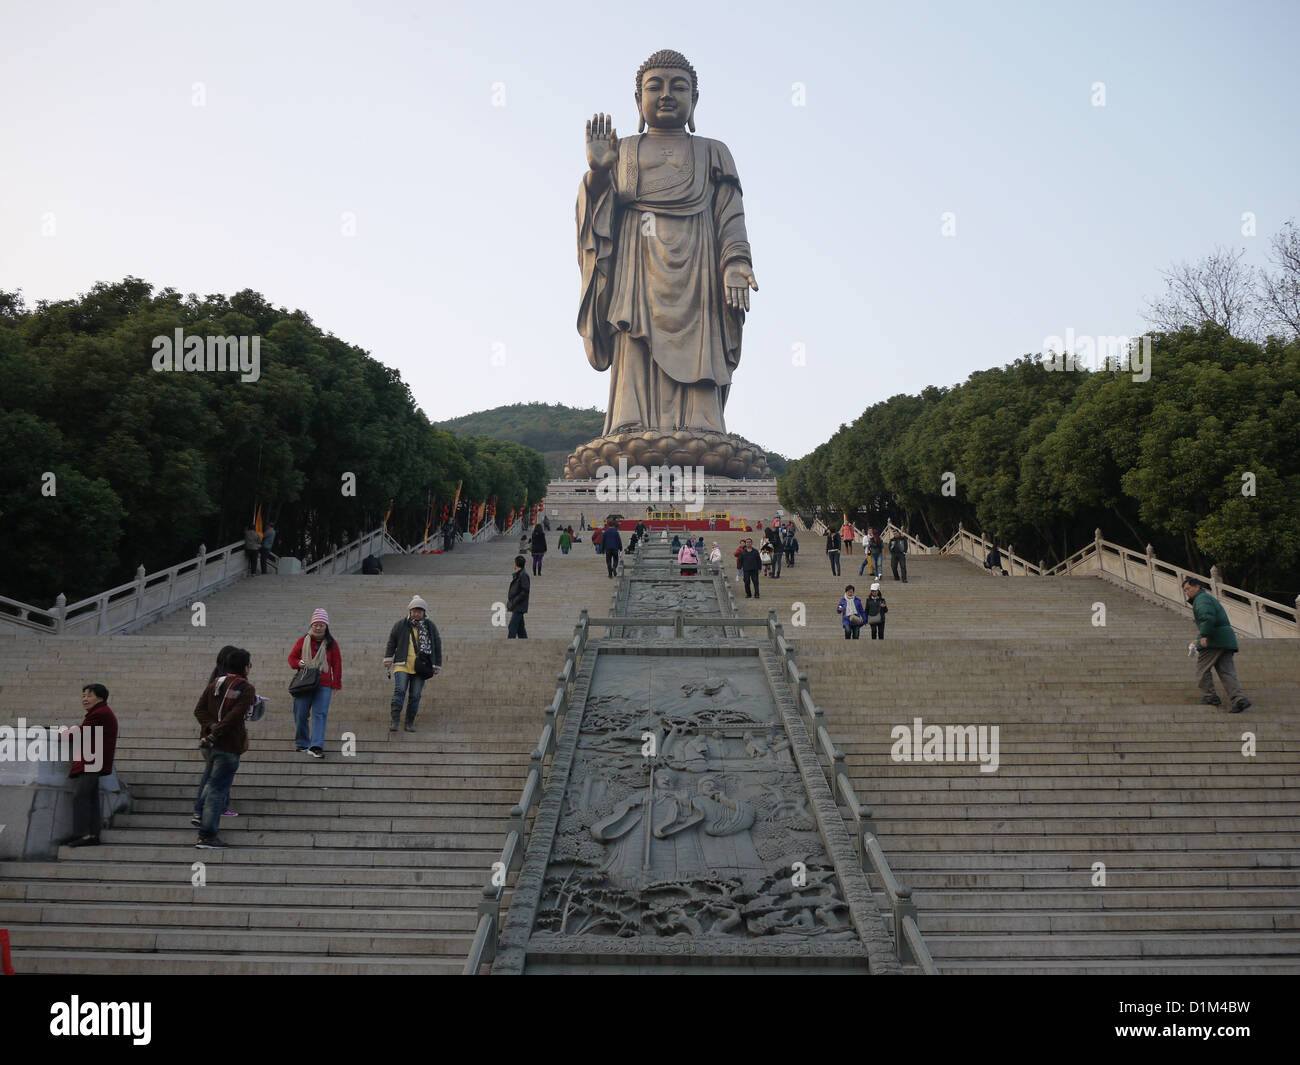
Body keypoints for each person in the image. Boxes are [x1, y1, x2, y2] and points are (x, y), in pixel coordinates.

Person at [193, 648, 254, 849]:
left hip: (208, 744)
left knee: (211, 783)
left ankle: (199, 813)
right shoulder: (246, 688)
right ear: (245, 667)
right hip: (227, 745)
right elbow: (235, 715)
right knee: (218, 791)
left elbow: (199, 710)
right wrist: (218, 731)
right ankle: (207, 835)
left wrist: (211, 728)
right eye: (249, 664)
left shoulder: (215, 684)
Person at [1182, 577, 1251, 712]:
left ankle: (1210, 697)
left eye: (1188, 589)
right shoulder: (1207, 598)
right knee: (1227, 672)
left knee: (1202, 670)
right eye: (1185, 590)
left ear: (1197, 587)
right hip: (1226, 639)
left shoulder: (1201, 599)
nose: (1187, 593)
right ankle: (1239, 699)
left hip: (1214, 640)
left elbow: (1207, 617)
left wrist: (1204, 636)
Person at [62, 683, 119, 847]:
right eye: (83, 696)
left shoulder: (99, 713)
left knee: (82, 797)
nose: (85, 699)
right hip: (94, 760)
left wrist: (62, 733)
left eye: (89, 695)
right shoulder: (100, 712)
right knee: (90, 798)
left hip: (92, 761)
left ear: (100, 698)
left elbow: (81, 733)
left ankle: (84, 834)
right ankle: (92, 834)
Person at [192, 646, 241, 824]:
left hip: (209, 735)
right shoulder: (230, 683)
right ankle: (209, 808)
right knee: (219, 774)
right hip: (223, 738)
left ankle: (200, 810)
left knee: (212, 772)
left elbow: (200, 710)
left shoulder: (215, 680)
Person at [288, 608, 342, 758]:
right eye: (316, 625)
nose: (318, 627)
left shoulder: (331, 643)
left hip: (323, 684)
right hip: (304, 683)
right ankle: (302, 742)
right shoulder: (302, 641)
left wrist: (336, 683)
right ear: (311, 625)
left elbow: (337, 663)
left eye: (321, 625)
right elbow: (291, 658)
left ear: (326, 626)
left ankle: (316, 745)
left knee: (320, 714)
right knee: (301, 714)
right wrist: (299, 663)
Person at [383, 596, 442, 732]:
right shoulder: (401, 624)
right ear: (410, 611)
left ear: (424, 612)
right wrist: (388, 658)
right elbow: (392, 641)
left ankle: (409, 721)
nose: (416, 614)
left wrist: (437, 664)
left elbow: (437, 645)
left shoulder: (430, 626)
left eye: (419, 611)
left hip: (421, 666)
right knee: (400, 691)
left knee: (415, 695)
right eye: (414, 611)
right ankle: (395, 719)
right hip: (402, 664)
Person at [508, 555, 530, 639]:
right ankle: (526, 644)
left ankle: (508, 645)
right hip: (518, 605)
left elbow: (525, 591)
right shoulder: (520, 574)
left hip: (519, 605)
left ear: (516, 564)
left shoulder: (523, 575)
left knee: (512, 627)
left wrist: (515, 601)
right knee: (521, 630)